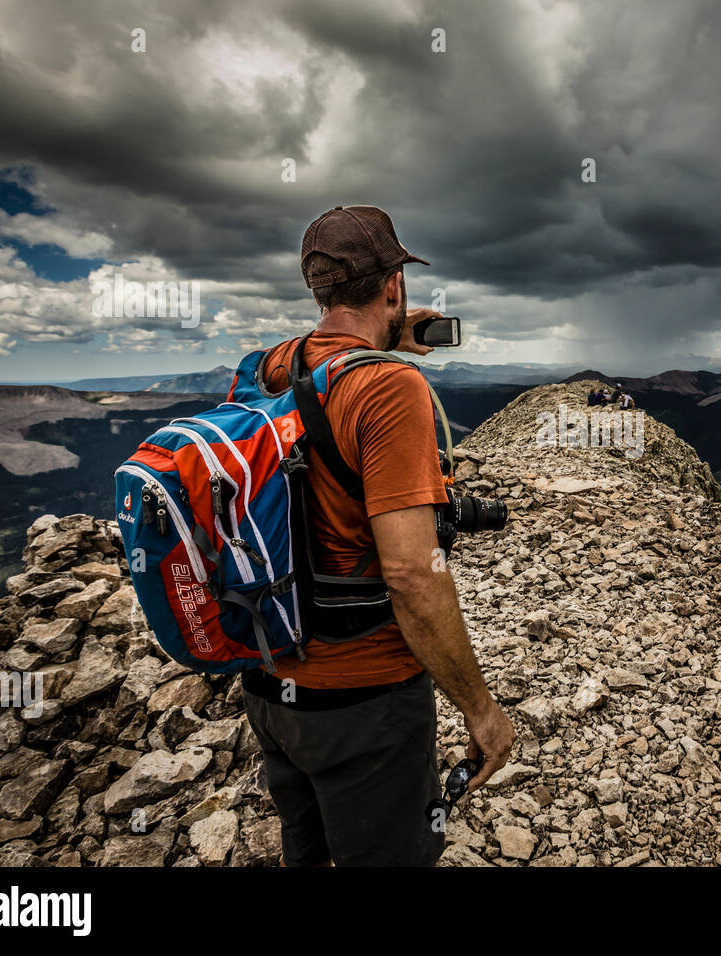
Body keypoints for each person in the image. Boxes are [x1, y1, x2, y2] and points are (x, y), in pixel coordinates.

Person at [242, 205, 515, 867]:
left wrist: (379, 337)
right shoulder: (391, 390)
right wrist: (480, 710)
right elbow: (412, 577)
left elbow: (324, 380)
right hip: (363, 705)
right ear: (394, 284)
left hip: (271, 684)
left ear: (319, 288)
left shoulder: (267, 368)